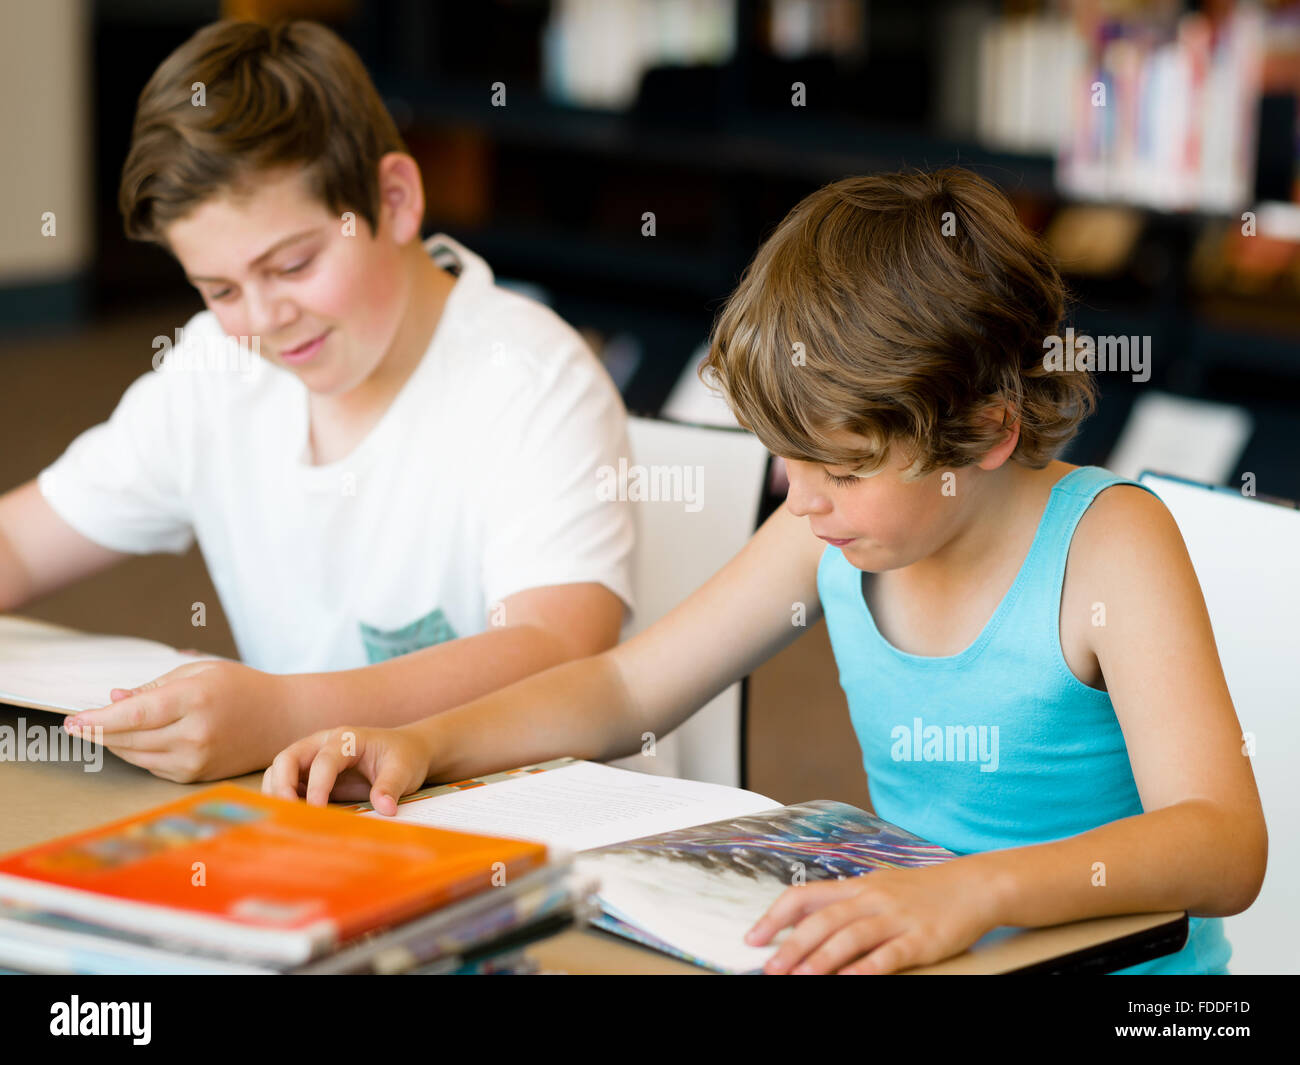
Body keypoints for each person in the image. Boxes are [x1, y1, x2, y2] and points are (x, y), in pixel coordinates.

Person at [262, 168, 1266, 975]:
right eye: (787, 458)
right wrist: (424, 742)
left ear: (986, 431)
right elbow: (626, 688)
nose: (802, 495)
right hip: (909, 948)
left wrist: (975, 889)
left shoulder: (1109, 544)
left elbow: (1222, 844)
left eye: (841, 466)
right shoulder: (828, 528)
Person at [0, 20, 635, 781]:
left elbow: (560, 651)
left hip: (525, 821)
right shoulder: (216, 369)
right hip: (316, 814)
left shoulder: (533, 378)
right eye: (221, 289)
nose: (265, 319)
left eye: (293, 264)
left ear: (395, 198)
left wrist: (285, 714)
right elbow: (22, 542)